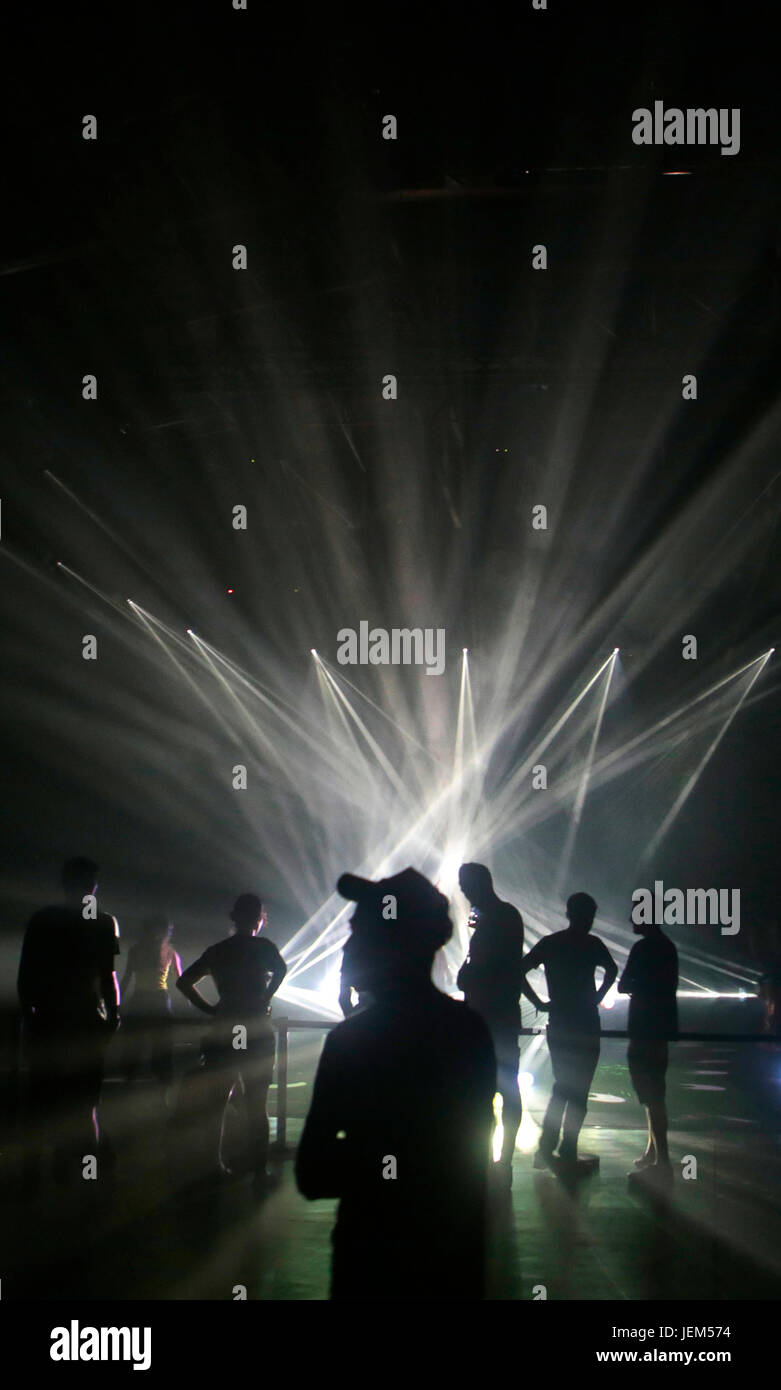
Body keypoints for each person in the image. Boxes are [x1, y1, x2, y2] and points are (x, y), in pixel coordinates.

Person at [296, 868, 496, 1301]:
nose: (349, 945)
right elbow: (470, 1165)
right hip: (446, 1266)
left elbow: (311, 1173)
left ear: (389, 944)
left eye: (359, 931)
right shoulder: (469, 1034)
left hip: (367, 1265)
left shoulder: (351, 1042)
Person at [17, 856, 120, 1186]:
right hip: (88, 1022)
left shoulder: (43, 919)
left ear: (64, 883)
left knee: (43, 1101)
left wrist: (29, 1014)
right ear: (93, 886)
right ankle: (85, 1173)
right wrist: (113, 1015)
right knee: (85, 1105)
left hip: (49, 1020)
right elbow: (108, 976)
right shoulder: (103, 922)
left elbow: (26, 973)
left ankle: (35, 1177)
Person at [176, 893, 286, 1193]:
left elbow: (183, 982)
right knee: (257, 1102)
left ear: (234, 917)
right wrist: (265, 997)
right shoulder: (264, 948)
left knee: (217, 1103)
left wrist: (211, 1009)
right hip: (256, 1028)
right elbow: (282, 970)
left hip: (224, 1028)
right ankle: (259, 1170)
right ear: (260, 919)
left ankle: (215, 1165)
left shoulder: (218, 951)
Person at [519, 892, 617, 1174]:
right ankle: (566, 1146)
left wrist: (539, 1003)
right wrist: (596, 997)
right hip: (586, 1022)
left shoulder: (552, 943)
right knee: (579, 1090)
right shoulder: (592, 944)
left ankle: (549, 1145)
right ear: (586, 916)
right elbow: (611, 970)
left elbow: (519, 970)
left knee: (562, 1085)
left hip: (560, 1021)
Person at [456, 862, 525, 1183]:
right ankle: (500, 1162)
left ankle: (488, 1161)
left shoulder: (497, 919)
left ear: (479, 884)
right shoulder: (503, 917)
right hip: (497, 1017)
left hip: (488, 1018)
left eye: (465, 886)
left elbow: (494, 968)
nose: (463, 892)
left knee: (488, 1092)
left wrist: (469, 974)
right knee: (503, 1090)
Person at [618, 910, 678, 1188]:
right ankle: (654, 1152)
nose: (632, 922)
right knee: (657, 1091)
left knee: (650, 1094)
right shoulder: (668, 948)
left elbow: (623, 984)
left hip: (642, 1027)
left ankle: (661, 1163)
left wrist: (634, 986)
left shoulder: (642, 948)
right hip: (661, 1028)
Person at [120, 916, 182, 1092]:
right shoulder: (168, 952)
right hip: (155, 1000)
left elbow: (126, 978)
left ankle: (135, 1085)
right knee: (153, 1047)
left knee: (143, 1046)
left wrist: (117, 1001)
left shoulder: (139, 950)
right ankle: (159, 1089)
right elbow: (181, 981)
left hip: (147, 999)